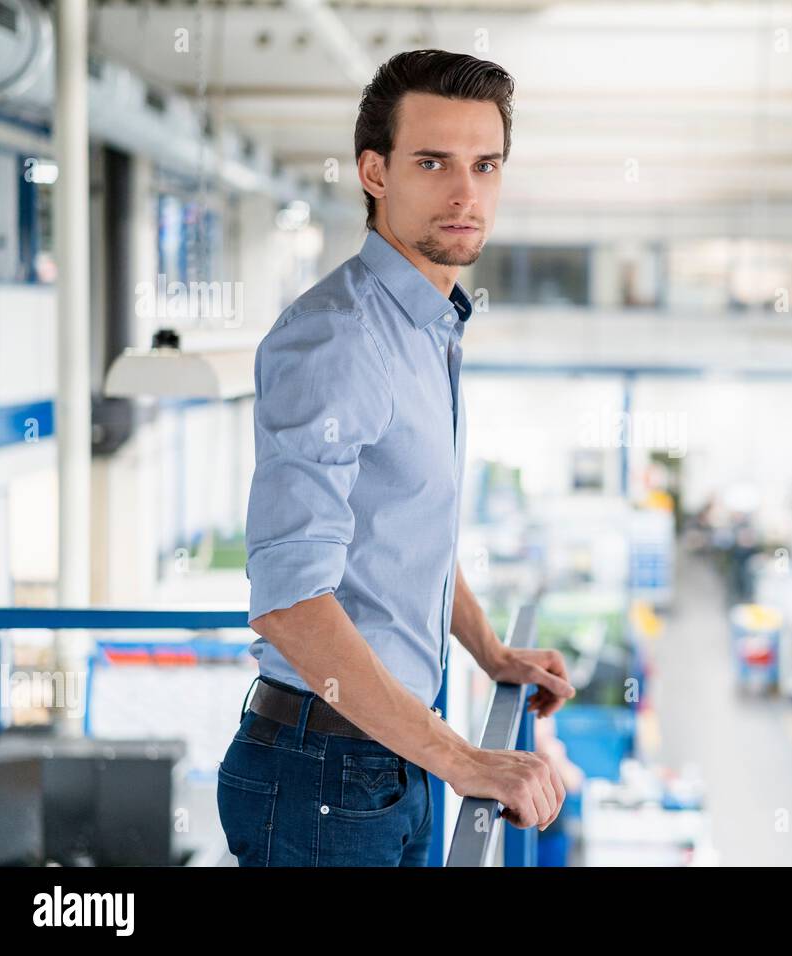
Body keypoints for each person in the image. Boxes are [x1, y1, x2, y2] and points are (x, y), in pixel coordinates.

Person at [217, 49, 574, 867]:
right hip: (321, 776)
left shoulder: (428, 325)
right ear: (374, 172)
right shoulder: (340, 339)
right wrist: (465, 758)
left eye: (486, 165)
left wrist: (489, 651)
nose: (466, 193)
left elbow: (402, 532)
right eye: (433, 163)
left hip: (386, 755)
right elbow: (290, 602)